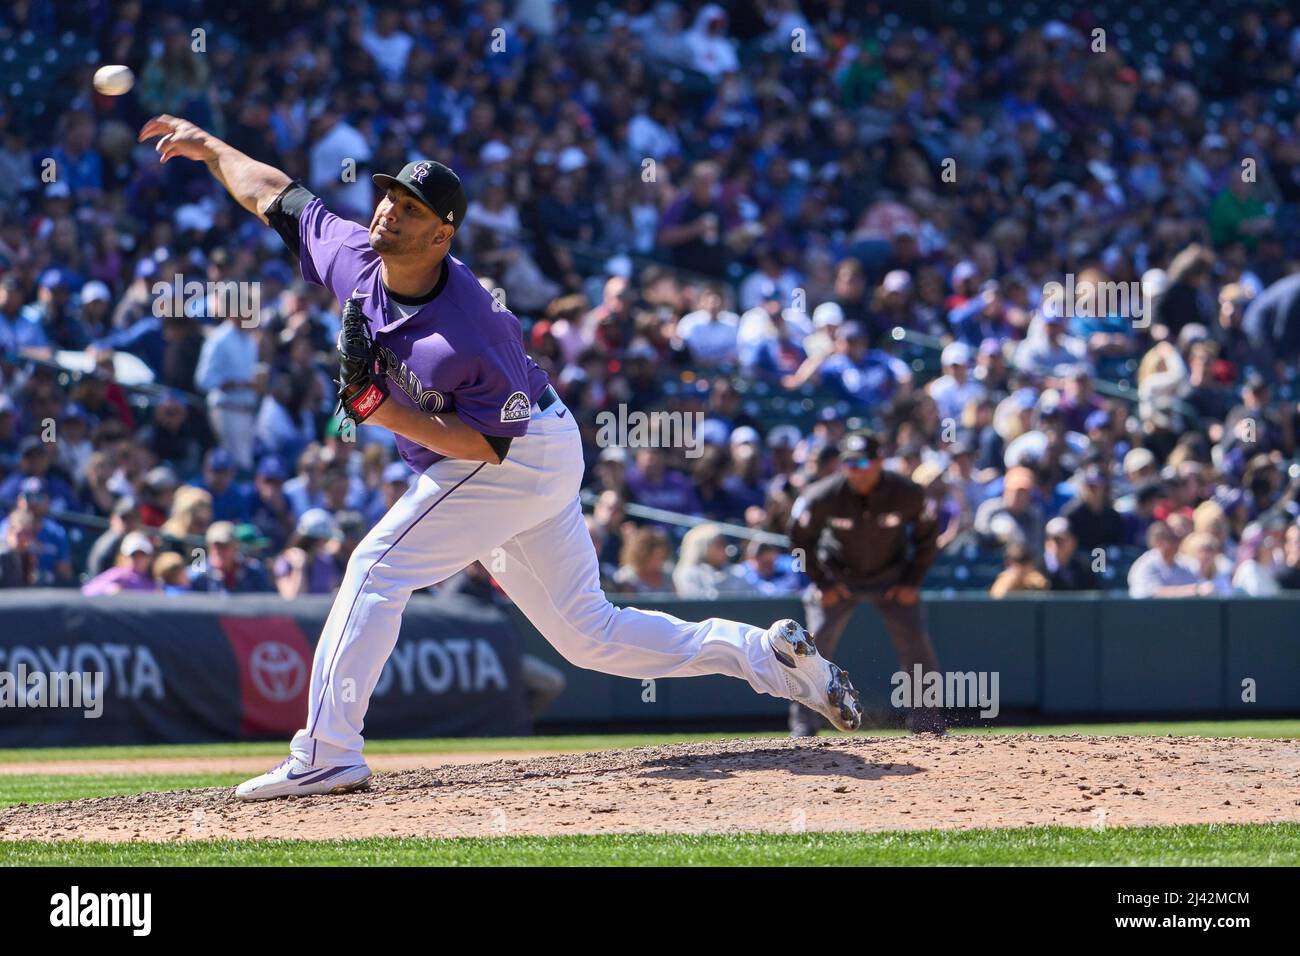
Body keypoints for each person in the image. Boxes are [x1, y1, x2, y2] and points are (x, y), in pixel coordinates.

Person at [138, 113, 862, 800]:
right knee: (591, 635)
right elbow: (277, 195)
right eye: (389, 195)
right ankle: (770, 659)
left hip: (516, 455)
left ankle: (327, 753)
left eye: (411, 208)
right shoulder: (356, 256)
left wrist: (376, 410)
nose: (389, 210)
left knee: (375, 569)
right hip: (521, 455)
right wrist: (210, 146)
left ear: (442, 235)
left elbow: (485, 446)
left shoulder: (474, 330)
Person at [786, 431, 943, 736]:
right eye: (849, 462)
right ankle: (803, 727)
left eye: (862, 461)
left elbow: (928, 537)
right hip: (838, 577)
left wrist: (912, 581)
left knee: (917, 648)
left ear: (879, 462)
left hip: (891, 578)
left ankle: (927, 724)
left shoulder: (906, 492)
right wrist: (822, 582)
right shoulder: (823, 495)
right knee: (810, 646)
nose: (855, 469)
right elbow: (798, 542)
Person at [81, 532, 159, 596]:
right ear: (124, 557)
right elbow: (87, 590)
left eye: (142, 555)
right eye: (133, 555)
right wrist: (110, 588)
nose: (138, 559)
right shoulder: (118, 574)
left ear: (150, 557)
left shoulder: (154, 582)